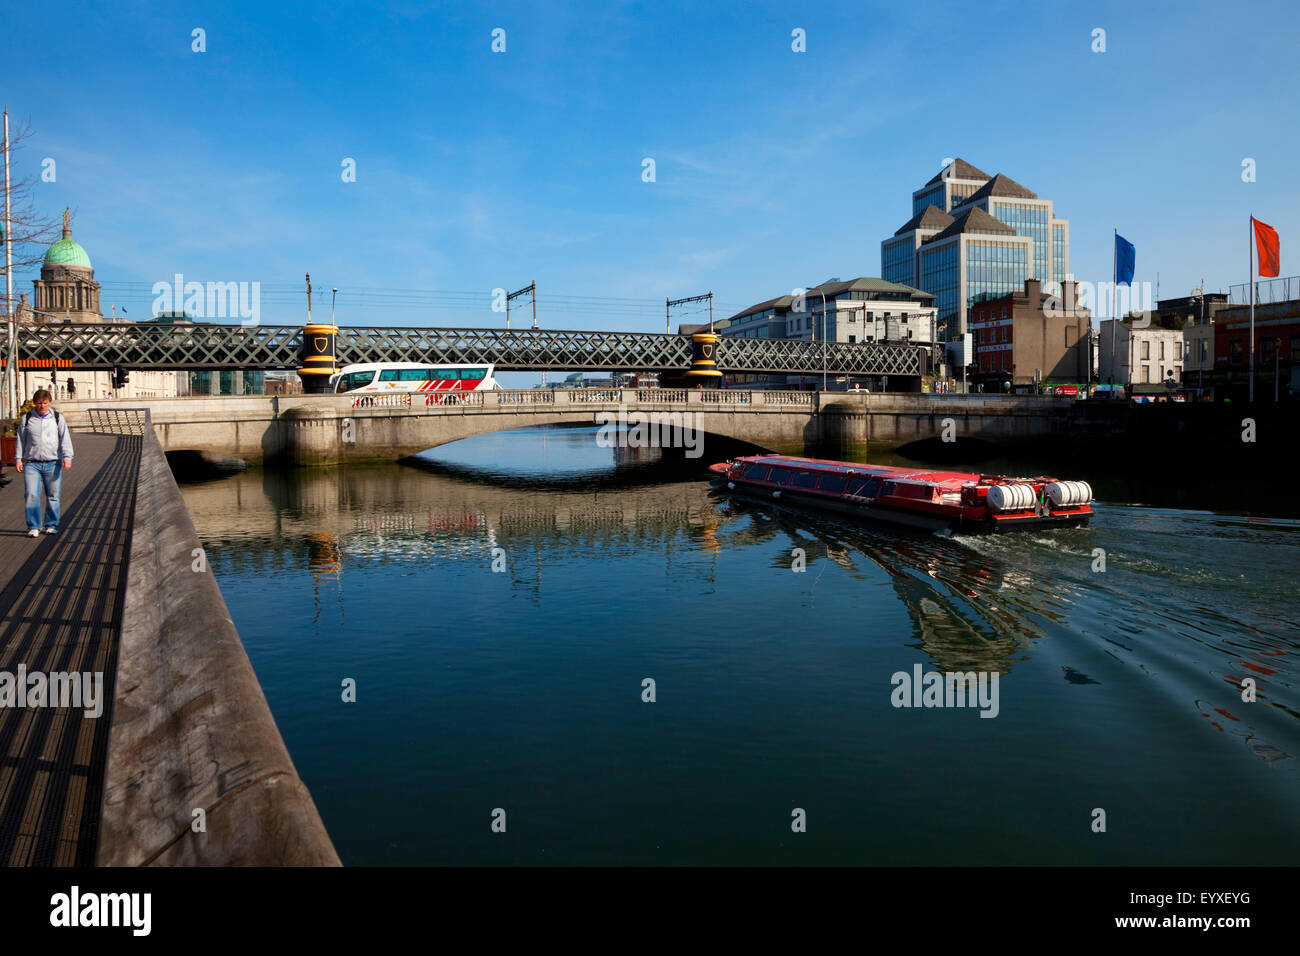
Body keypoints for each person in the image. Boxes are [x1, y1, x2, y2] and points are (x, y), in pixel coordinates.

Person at [14, 389, 74, 537]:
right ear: (35, 403)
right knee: (31, 494)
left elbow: (65, 438)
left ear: (50, 402)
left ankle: (51, 525)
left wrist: (67, 457)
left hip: (52, 462)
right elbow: (20, 440)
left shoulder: (57, 418)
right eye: (39, 403)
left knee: (53, 495)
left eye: (45, 403)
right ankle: (34, 526)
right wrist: (18, 459)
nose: (42, 406)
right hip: (31, 463)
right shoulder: (26, 418)